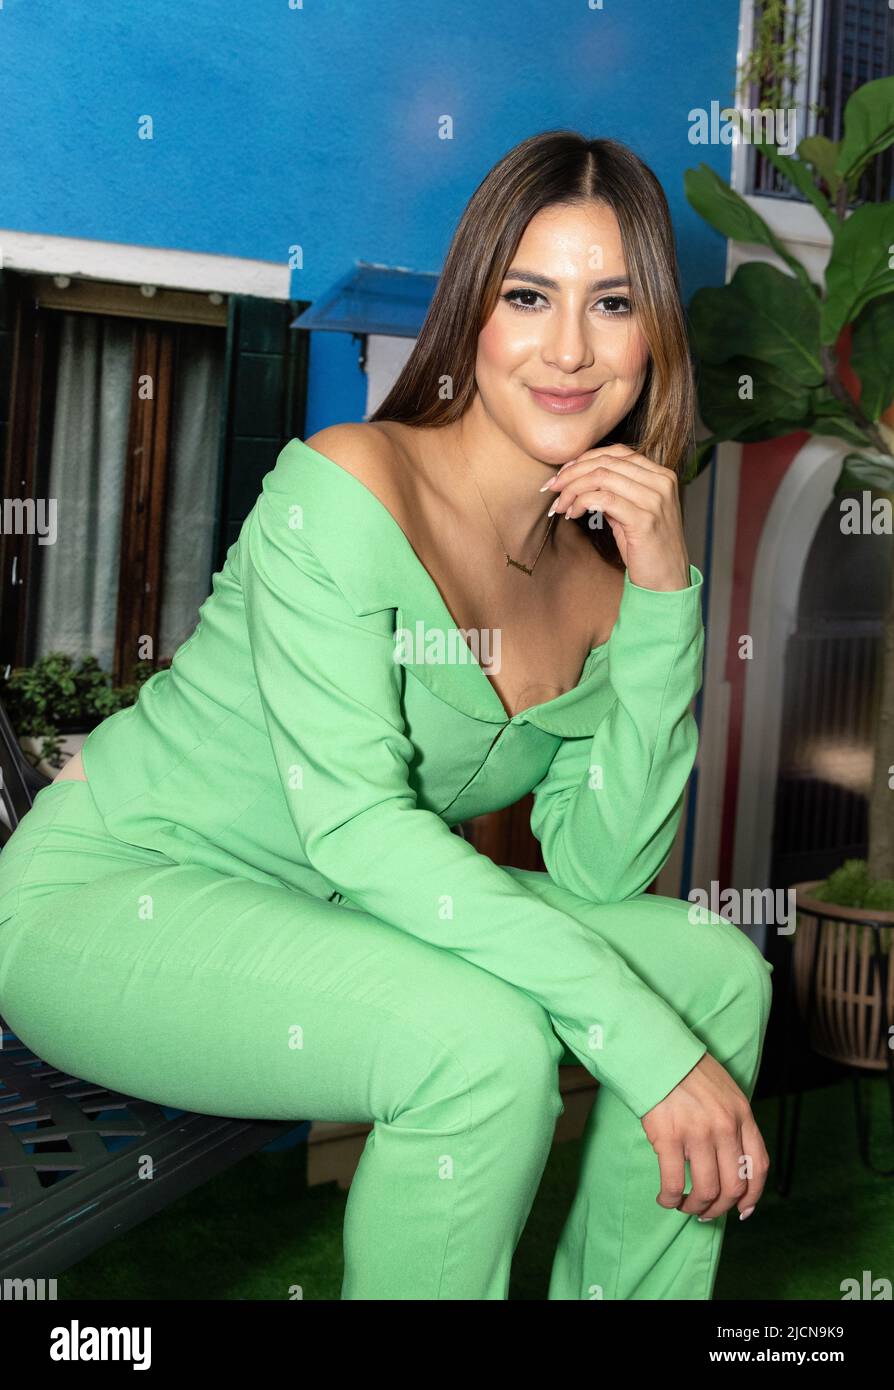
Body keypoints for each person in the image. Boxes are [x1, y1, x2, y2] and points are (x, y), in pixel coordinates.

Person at [0, 130, 772, 1300]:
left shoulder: (608, 587)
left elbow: (602, 868)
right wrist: (643, 1046)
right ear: (472, 316)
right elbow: (358, 825)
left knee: (716, 975)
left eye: (612, 302)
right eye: (529, 295)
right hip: (112, 892)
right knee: (481, 1045)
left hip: (346, 907)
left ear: (654, 333)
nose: (570, 347)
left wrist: (665, 600)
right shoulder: (351, 481)